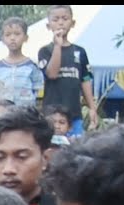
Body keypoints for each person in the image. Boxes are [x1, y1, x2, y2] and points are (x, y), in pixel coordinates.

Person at [39, 5, 97, 136]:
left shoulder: (79, 51)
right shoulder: (45, 51)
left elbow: (85, 80)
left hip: (74, 114)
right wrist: (57, 45)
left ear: (73, 23)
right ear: (48, 26)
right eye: (56, 19)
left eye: (65, 18)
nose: (60, 22)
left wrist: (92, 107)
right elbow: (52, 74)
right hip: (51, 116)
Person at [0, 17, 43, 108]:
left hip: (26, 114)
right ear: (3, 39)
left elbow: (37, 90)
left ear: (25, 38)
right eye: (8, 35)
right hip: (4, 114)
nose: (12, 38)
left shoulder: (31, 66)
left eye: (17, 34)